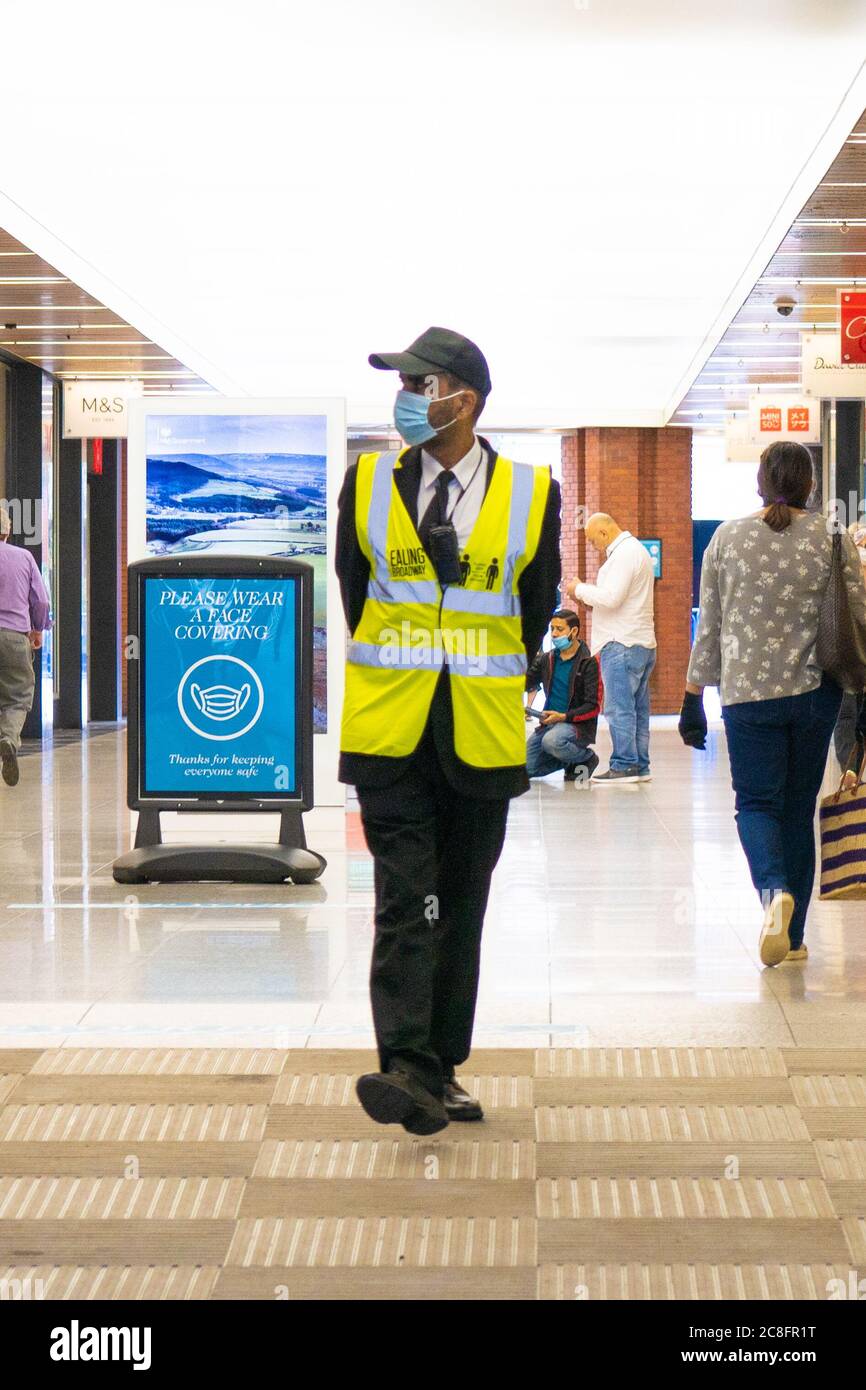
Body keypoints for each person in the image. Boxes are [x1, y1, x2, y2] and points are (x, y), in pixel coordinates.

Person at [336, 326, 560, 1135]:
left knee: (458, 903)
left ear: (464, 398)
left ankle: (440, 1068)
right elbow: (355, 594)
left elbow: (532, 613)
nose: (407, 398)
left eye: (420, 384)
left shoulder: (533, 492)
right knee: (407, 897)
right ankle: (406, 1066)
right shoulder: (365, 483)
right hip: (390, 733)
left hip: (481, 735)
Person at [678, 440, 866, 967]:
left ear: (760, 481)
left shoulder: (728, 537)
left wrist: (693, 697)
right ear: (810, 484)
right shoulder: (832, 537)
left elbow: (708, 624)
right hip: (815, 695)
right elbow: (860, 612)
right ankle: (797, 937)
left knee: (756, 805)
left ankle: (773, 891)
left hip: (747, 697)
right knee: (796, 809)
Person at [567, 512, 656, 783]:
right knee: (637, 709)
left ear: (605, 533)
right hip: (638, 641)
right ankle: (639, 765)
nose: (595, 547)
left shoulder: (624, 554)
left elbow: (611, 598)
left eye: (595, 541)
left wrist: (579, 589)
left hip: (621, 643)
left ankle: (624, 764)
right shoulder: (635, 551)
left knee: (619, 709)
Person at [0, 506, 51, 787]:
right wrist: (37, 629)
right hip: (14, 637)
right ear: (7, 531)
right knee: (17, 697)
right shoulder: (24, 557)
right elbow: (41, 601)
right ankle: (8, 739)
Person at [525, 608, 600, 782]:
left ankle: (586, 757)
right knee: (526, 768)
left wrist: (563, 716)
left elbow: (593, 706)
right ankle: (569, 762)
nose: (554, 634)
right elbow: (525, 681)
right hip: (548, 724)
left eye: (559, 629)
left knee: (551, 741)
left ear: (574, 631)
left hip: (575, 725)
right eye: (552, 629)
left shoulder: (589, 663)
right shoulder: (547, 659)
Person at [833, 519, 866, 773]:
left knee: (851, 718)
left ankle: (853, 771)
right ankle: (851, 771)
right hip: (848, 658)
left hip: (850, 657)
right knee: (847, 716)